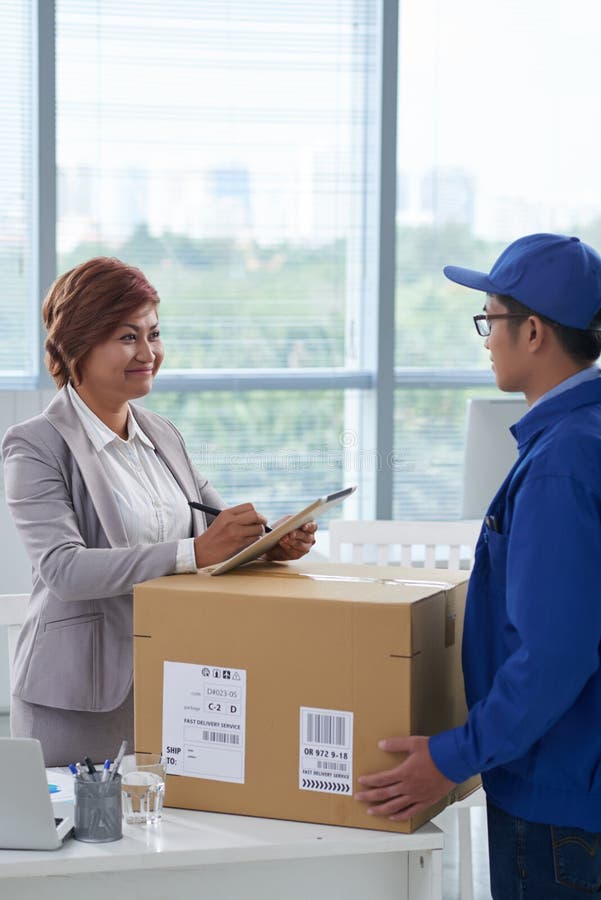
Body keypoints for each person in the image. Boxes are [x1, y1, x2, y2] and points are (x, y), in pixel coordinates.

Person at [354, 233, 601, 898]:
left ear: (533, 333)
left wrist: (452, 756)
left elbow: (553, 653)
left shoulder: (561, 464)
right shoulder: (581, 438)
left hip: (558, 807)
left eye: (489, 319)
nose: (485, 337)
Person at [2, 256, 317, 766]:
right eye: (127, 337)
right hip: (78, 698)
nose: (148, 352)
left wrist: (270, 543)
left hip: (178, 683)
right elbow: (63, 569)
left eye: (154, 333)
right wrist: (194, 550)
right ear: (79, 342)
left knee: (171, 836)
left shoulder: (162, 433)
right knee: (86, 839)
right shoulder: (35, 445)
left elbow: (217, 533)